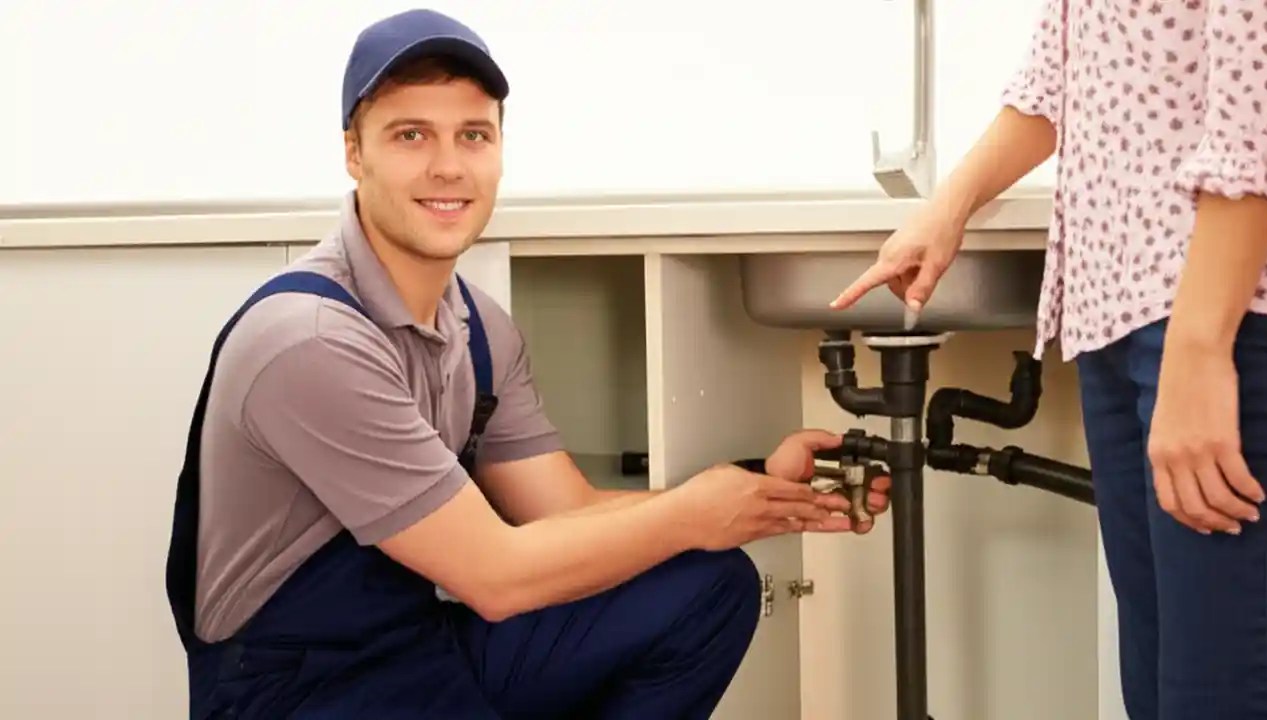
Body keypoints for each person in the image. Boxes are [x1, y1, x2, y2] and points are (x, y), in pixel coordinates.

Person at [161, 8, 890, 719]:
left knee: (706, 585)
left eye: (473, 135)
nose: (448, 166)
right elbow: (496, 576)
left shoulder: (479, 330)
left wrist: (757, 488)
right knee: (662, 549)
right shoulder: (310, 340)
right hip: (295, 692)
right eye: (411, 135)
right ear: (355, 153)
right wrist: (696, 512)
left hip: (421, 652)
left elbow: (568, 512)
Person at [831, 2, 1267, 718]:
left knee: (1219, 691)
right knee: (1158, 685)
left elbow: (1259, 114)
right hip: (1115, 318)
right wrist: (946, 209)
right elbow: (1054, 82)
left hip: (1220, 316)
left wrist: (1198, 350)